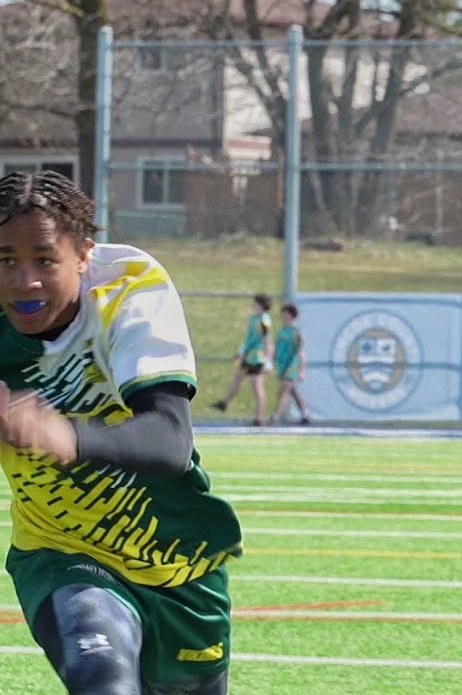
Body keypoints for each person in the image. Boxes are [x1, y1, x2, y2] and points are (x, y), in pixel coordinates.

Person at [0, 170, 243, 694]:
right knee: (100, 675)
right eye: (5, 261)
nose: (24, 281)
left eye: (44, 259)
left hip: (176, 559)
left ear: (83, 255)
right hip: (60, 550)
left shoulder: (126, 288)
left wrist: (65, 436)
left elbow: (169, 440)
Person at [212, 292, 273, 425]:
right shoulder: (253, 318)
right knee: (237, 379)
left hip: (257, 357)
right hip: (248, 356)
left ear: (261, 305)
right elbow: (250, 338)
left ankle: (259, 418)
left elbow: (267, 339)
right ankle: (224, 403)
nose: (252, 304)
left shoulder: (264, 319)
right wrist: (241, 351)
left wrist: (268, 362)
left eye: (255, 302)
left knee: (257, 387)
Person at [270, 303, 311, 425]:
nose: (283, 316)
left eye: (286, 314)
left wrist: (302, 370)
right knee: (292, 390)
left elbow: (300, 352)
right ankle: (305, 413)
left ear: (292, 316)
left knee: (284, 389)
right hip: (282, 364)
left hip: (292, 364)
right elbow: (276, 348)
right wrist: (272, 362)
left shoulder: (296, 332)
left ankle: (275, 416)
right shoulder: (281, 331)